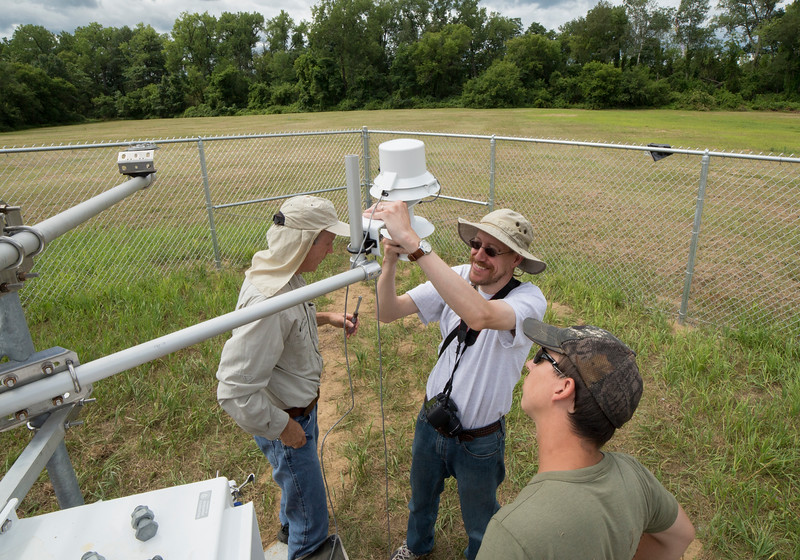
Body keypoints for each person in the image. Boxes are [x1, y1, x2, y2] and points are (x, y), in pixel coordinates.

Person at [364, 200, 548, 560]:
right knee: (420, 500)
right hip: (431, 421)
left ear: (516, 262)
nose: (479, 255)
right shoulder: (460, 276)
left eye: (492, 250)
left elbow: (479, 315)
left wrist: (417, 246)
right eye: (475, 244)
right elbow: (388, 312)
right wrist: (389, 262)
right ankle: (417, 547)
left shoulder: (528, 301)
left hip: (479, 440)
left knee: (481, 520)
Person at [476, 319, 696, 560]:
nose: (530, 363)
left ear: (563, 389)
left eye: (541, 357)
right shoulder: (633, 475)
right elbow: (680, 535)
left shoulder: (513, 535)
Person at [216, 195, 358, 560]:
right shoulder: (268, 304)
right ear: (304, 242)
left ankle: (286, 527)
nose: (330, 251)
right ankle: (304, 544)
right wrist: (285, 428)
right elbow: (234, 391)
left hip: (296, 414)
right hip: (287, 421)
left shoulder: (284, 274)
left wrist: (326, 317)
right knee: (313, 518)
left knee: (293, 485)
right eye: (327, 242)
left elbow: (294, 317)